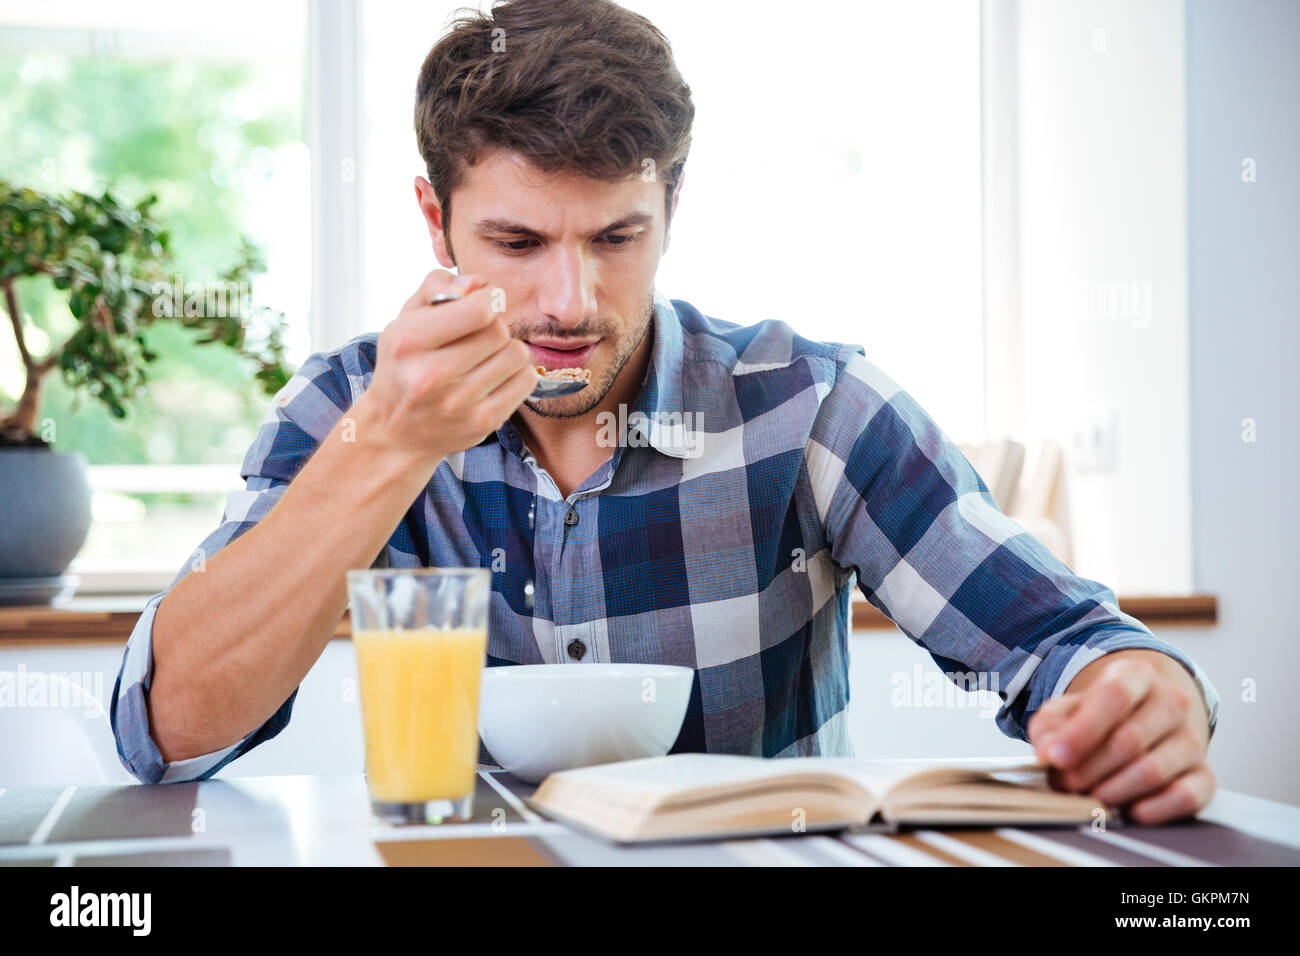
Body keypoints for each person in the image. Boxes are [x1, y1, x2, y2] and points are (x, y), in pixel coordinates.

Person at [111, 0, 1218, 823]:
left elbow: (1068, 644)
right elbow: (166, 731)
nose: (568, 302)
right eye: (516, 243)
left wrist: (1141, 696)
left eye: (614, 237)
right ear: (434, 220)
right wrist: (389, 449)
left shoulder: (809, 408)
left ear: (671, 208)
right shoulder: (356, 407)